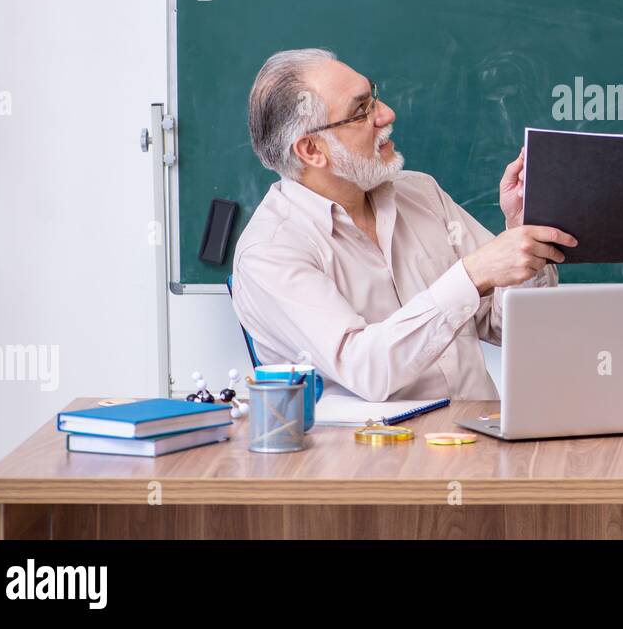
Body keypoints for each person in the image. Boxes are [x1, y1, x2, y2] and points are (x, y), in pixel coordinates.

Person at [230, 47, 576, 401]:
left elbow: (510, 329)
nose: (386, 114)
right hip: (370, 452)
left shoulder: (420, 193)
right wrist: (470, 276)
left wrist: (523, 233)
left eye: (374, 97)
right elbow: (366, 369)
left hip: (478, 435)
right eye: (361, 110)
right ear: (311, 150)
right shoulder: (270, 253)